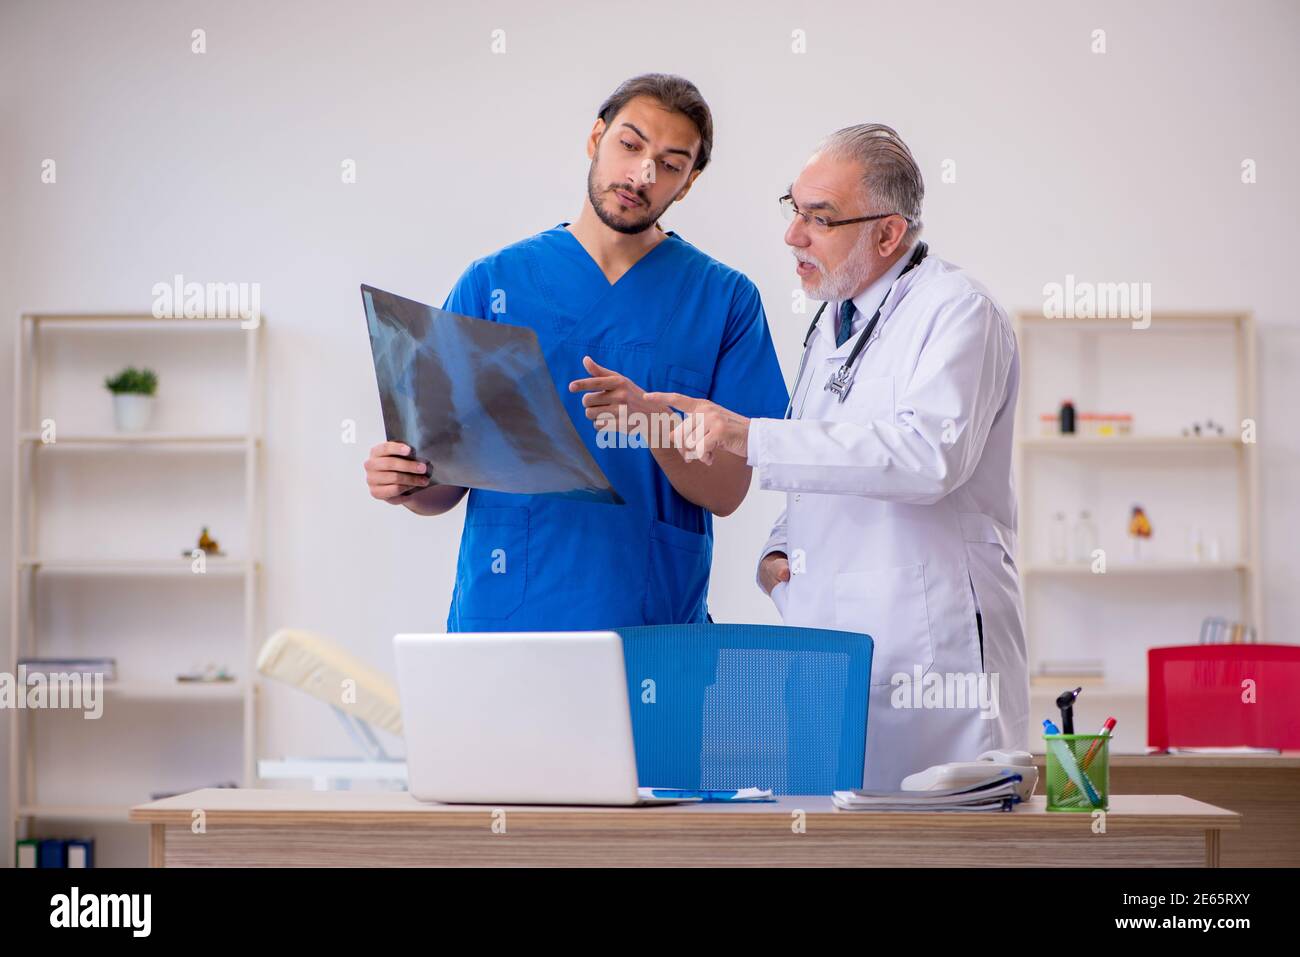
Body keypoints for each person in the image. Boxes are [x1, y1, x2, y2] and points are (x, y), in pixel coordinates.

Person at [646, 124, 1029, 788]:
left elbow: (927, 455)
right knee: (837, 840)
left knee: (945, 847)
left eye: (819, 219)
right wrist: (777, 553)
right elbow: (825, 457)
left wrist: (747, 435)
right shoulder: (832, 321)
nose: (793, 235)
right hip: (832, 655)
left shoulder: (958, 312)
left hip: (931, 659)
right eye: (792, 208)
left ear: (887, 234)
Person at [364, 74, 788, 631]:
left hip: (651, 621)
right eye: (630, 145)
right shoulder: (494, 283)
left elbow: (728, 490)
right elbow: (443, 483)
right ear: (596, 138)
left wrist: (651, 424)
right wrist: (405, 483)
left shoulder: (725, 300)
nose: (642, 175)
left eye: (670, 163)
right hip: (506, 614)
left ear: (688, 183)